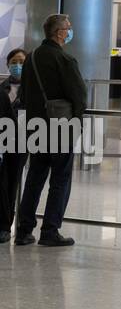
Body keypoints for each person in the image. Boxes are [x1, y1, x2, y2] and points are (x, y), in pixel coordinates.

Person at [15, 14, 87, 248]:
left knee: (35, 177)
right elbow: (79, 95)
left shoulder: (32, 58)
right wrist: (76, 123)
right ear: (59, 33)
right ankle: (50, 231)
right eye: (68, 28)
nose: (70, 31)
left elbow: (24, 94)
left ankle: (24, 231)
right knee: (60, 179)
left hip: (36, 127)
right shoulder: (65, 59)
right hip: (60, 127)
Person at [0, 48, 26, 243]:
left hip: (22, 141)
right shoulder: (2, 88)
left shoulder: (32, 89)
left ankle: (6, 226)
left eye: (22, 62)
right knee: (3, 181)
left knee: (12, 181)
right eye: (14, 62)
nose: (18, 65)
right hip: (3, 139)